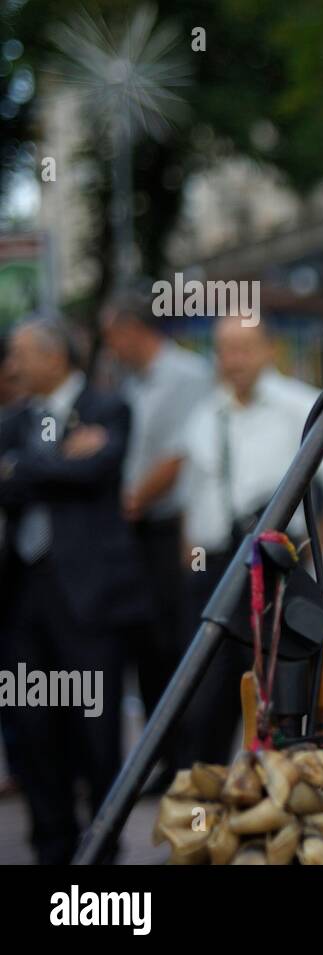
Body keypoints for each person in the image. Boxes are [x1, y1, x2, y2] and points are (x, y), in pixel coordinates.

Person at [176, 314, 323, 766]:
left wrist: (312, 547)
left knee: (279, 696)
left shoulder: (300, 406)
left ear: (269, 350)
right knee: (205, 699)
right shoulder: (207, 415)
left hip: (274, 568)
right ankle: (210, 808)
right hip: (215, 567)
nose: (234, 360)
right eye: (225, 349)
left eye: (245, 348)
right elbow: (195, 500)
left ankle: (285, 805)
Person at [0, 316, 147, 864]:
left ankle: (103, 855)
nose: (12, 366)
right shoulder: (15, 419)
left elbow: (96, 473)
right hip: (22, 604)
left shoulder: (108, 406)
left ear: (53, 356)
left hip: (90, 606)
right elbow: (14, 484)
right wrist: (57, 459)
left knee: (96, 736)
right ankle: (52, 851)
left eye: (20, 353)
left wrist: (25, 467)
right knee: (35, 734)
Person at [99, 290, 213, 781]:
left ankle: (188, 762)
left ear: (129, 331)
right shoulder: (131, 382)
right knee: (146, 645)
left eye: (112, 339)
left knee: (174, 643)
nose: (110, 349)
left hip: (171, 529)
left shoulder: (185, 376)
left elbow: (180, 454)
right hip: (139, 531)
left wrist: (131, 499)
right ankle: (163, 762)